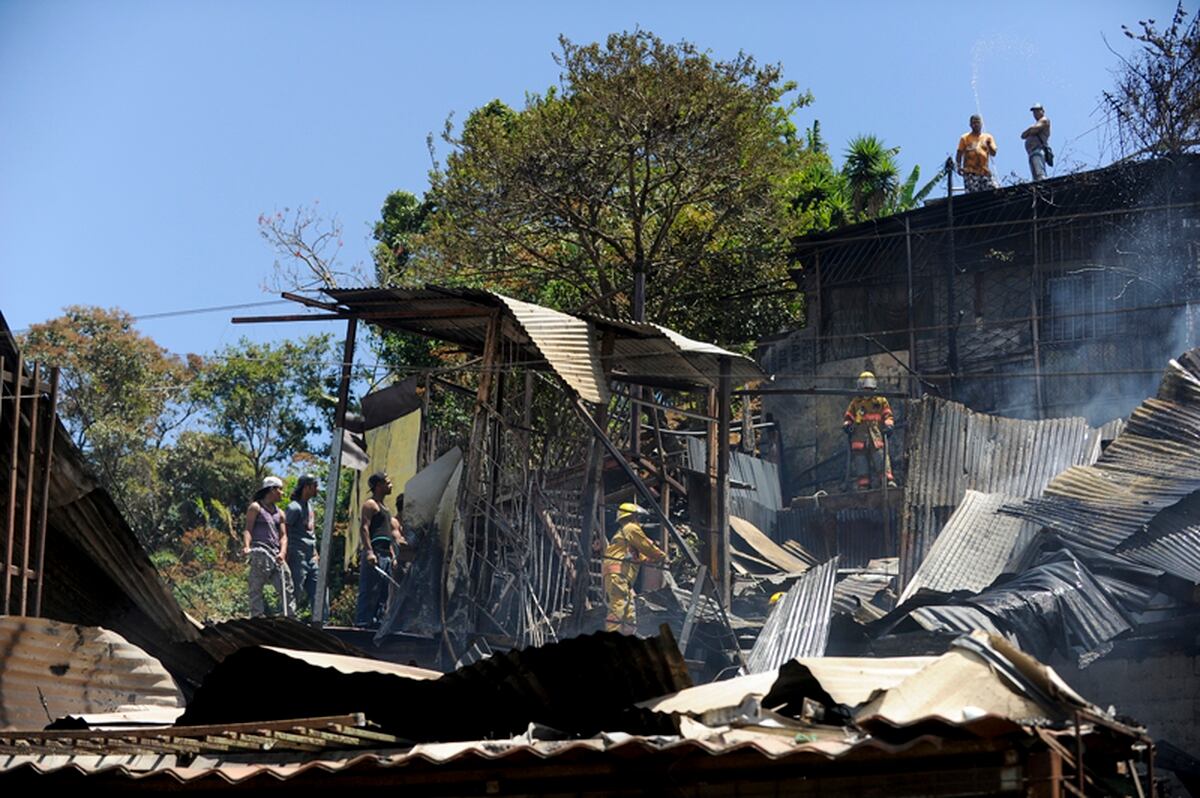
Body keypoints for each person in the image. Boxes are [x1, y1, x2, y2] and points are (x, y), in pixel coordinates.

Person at [603, 503, 666, 635]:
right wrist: (660, 556)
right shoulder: (631, 528)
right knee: (619, 606)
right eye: (638, 517)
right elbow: (646, 546)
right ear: (633, 517)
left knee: (629, 611)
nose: (639, 521)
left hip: (622, 577)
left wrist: (651, 559)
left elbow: (638, 556)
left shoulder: (625, 535)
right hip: (619, 574)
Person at [243, 475, 295, 618]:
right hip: (260, 550)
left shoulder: (280, 513)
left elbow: (283, 536)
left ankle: (289, 617)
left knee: (286, 586)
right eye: (280, 490)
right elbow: (248, 529)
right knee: (256, 588)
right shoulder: (256, 507)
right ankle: (257, 617)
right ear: (272, 490)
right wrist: (247, 546)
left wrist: (282, 553)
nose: (282, 493)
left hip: (276, 554)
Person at [843, 372, 896, 491]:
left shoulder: (880, 400)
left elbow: (888, 415)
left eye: (869, 388)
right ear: (860, 387)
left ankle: (887, 482)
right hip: (859, 438)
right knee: (861, 462)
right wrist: (847, 426)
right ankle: (863, 486)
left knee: (880, 458)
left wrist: (889, 426)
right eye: (865, 388)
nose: (867, 391)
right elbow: (848, 418)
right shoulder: (855, 403)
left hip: (875, 437)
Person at [354, 472, 394, 628]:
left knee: (383, 590)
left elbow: (387, 533)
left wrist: (392, 553)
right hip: (375, 552)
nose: (390, 486)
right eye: (388, 482)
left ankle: (376, 622)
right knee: (369, 588)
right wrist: (369, 551)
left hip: (385, 554)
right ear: (379, 485)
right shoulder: (370, 505)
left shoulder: (385, 508)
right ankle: (362, 621)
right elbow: (364, 528)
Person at [285, 474, 320, 613]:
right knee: (295, 590)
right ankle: (288, 620)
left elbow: (311, 532)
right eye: (315, 486)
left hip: (311, 555)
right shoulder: (294, 508)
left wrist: (316, 553)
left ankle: (320, 623)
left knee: (319, 590)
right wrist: (286, 553)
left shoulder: (310, 507)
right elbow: (284, 531)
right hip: (297, 553)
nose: (317, 489)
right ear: (307, 487)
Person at [956, 114, 998, 193]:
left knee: (993, 191)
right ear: (970, 125)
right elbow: (959, 153)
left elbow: (994, 153)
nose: (976, 125)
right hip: (970, 172)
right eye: (974, 123)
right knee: (974, 194)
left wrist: (989, 145)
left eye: (977, 122)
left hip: (984, 172)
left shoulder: (987, 137)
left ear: (981, 124)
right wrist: (958, 166)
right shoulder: (965, 138)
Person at [1021, 103, 1051, 181]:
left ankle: (1041, 181)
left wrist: (1030, 129)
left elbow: (1034, 129)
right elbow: (1023, 136)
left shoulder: (1044, 120)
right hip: (1032, 151)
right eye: (1034, 112)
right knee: (1034, 171)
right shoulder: (1039, 122)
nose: (1035, 113)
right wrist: (1030, 131)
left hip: (1038, 149)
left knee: (1039, 172)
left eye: (1037, 111)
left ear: (1042, 111)